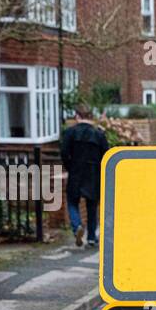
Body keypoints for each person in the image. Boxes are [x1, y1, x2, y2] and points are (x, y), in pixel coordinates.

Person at [59, 104, 109, 247]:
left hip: (75, 171)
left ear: (77, 116)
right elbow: (106, 154)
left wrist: (69, 167)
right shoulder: (99, 135)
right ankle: (92, 237)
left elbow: (64, 152)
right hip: (93, 174)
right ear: (91, 117)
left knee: (72, 202)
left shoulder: (70, 133)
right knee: (92, 207)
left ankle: (77, 226)